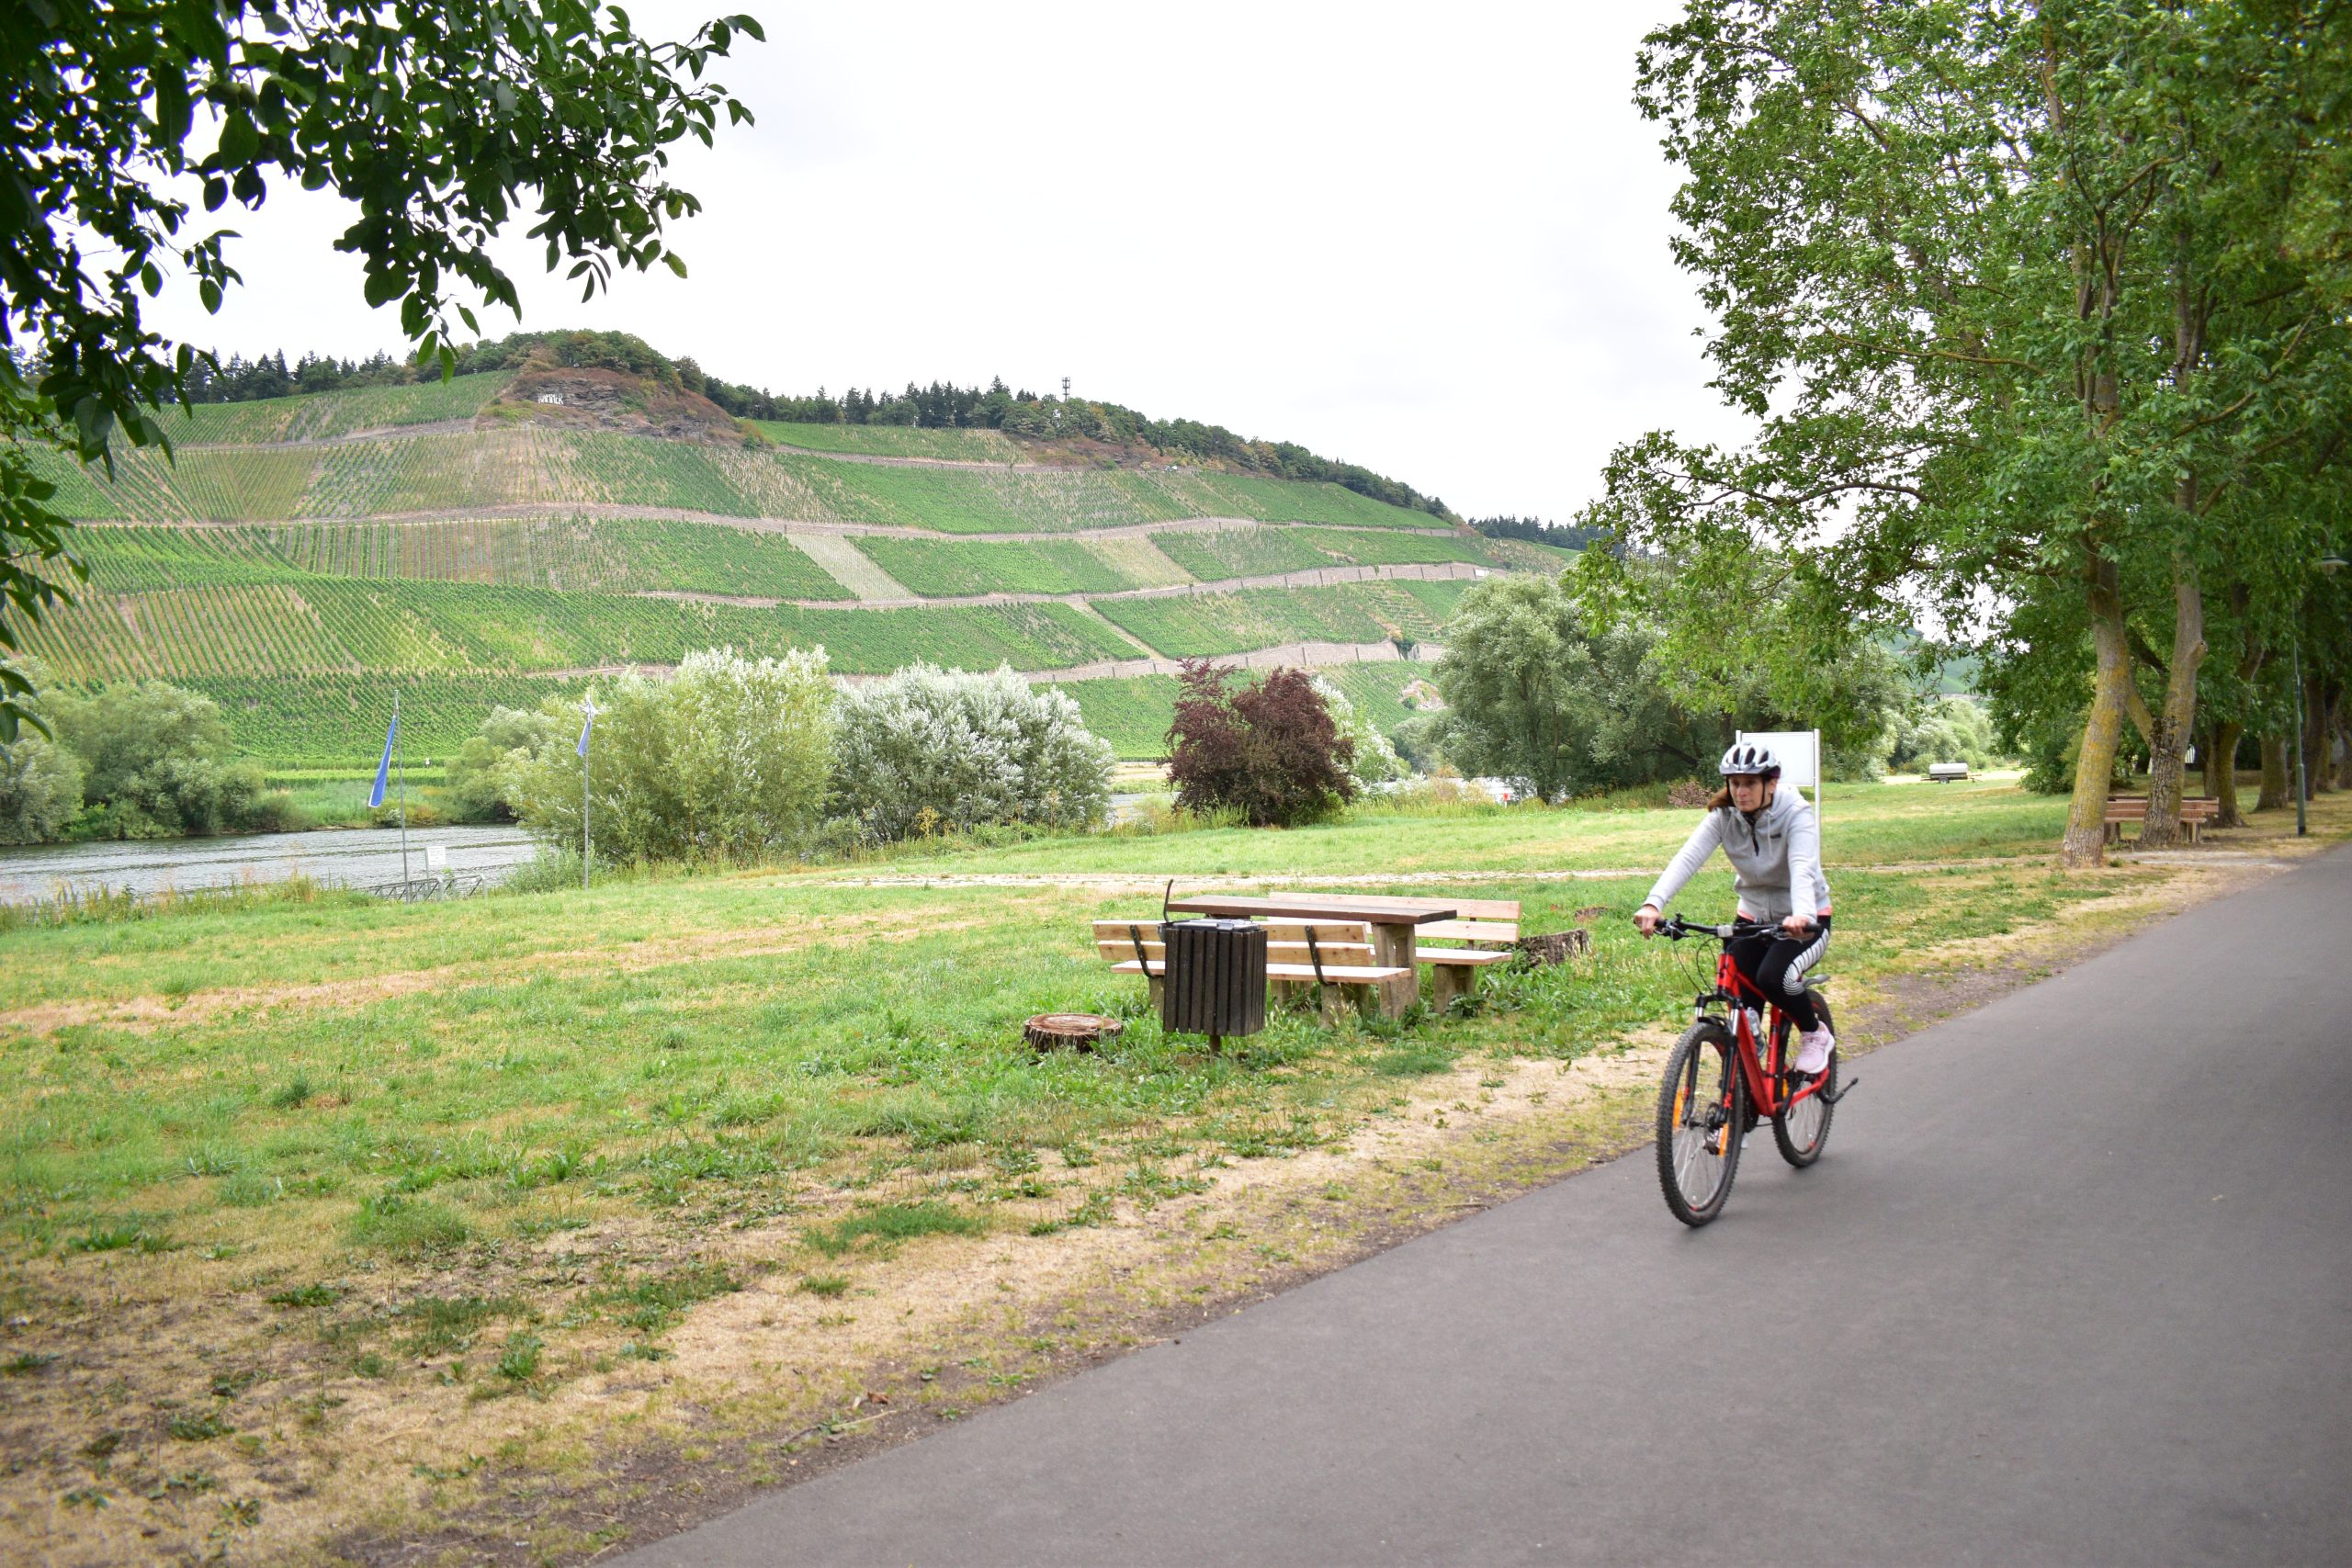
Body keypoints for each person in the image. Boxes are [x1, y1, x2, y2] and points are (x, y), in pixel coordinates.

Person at [1634, 741, 1837, 1075]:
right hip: (1752, 917)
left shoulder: (1795, 813)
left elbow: (1802, 866)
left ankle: (1815, 1034)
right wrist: (1653, 903)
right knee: (1738, 997)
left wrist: (1802, 914)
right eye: (1735, 783)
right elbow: (1688, 857)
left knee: (1774, 977)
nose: (1741, 791)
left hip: (1805, 922)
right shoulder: (1723, 816)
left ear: (1770, 783)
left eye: (1750, 783)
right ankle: (1738, 1102)